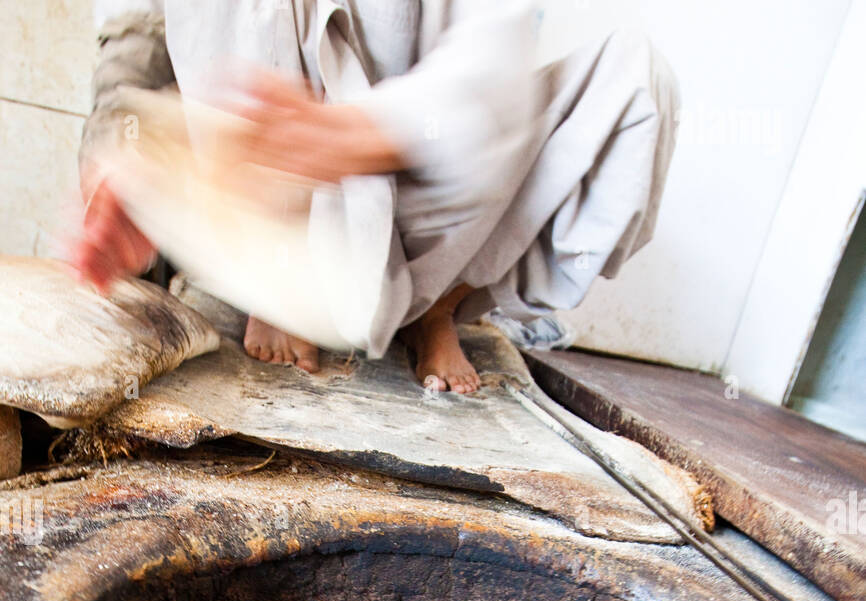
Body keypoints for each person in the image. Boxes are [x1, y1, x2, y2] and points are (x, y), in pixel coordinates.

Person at [71, 1, 679, 394]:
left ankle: (438, 304)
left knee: (638, 80)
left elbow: (494, 51)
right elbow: (136, 28)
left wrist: (372, 132)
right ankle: (276, 276)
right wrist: (127, 155)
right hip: (258, 186)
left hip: (417, 163)